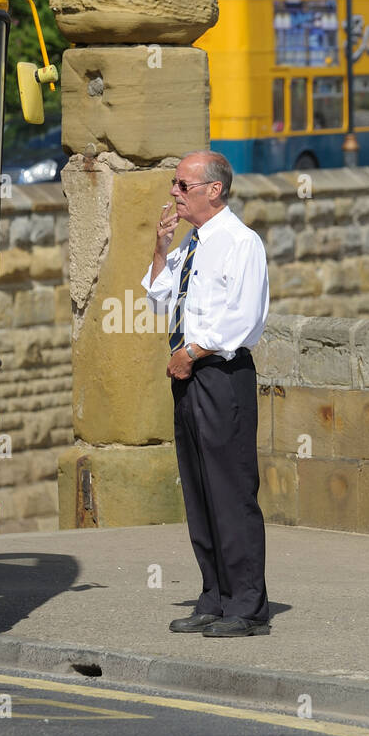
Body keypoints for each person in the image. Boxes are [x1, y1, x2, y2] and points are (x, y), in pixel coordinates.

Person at [142, 150, 271, 636]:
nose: (174, 193)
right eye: (174, 184)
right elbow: (159, 301)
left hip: (220, 374)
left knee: (231, 488)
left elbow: (243, 317)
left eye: (182, 185)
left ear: (213, 190)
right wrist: (160, 247)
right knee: (198, 489)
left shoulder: (241, 243)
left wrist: (192, 352)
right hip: (188, 375)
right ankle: (213, 596)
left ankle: (246, 604)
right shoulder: (191, 244)